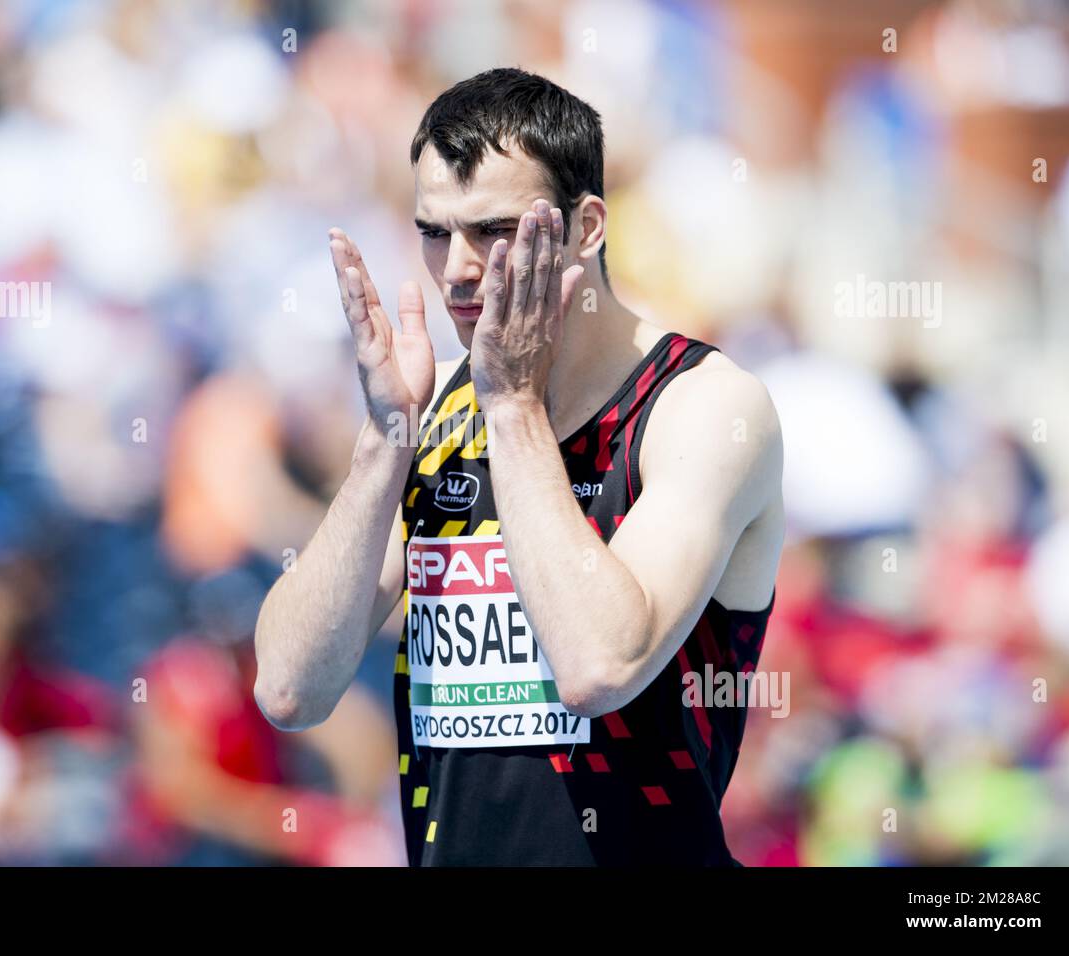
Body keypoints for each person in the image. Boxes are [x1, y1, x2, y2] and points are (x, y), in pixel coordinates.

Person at [254, 67, 785, 865]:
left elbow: (600, 664)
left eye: (496, 230)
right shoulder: (441, 413)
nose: (460, 269)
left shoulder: (703, 409)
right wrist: (384, 445)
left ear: (587, 225)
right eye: (434, 232)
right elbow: (291, 688)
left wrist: (513, 410)